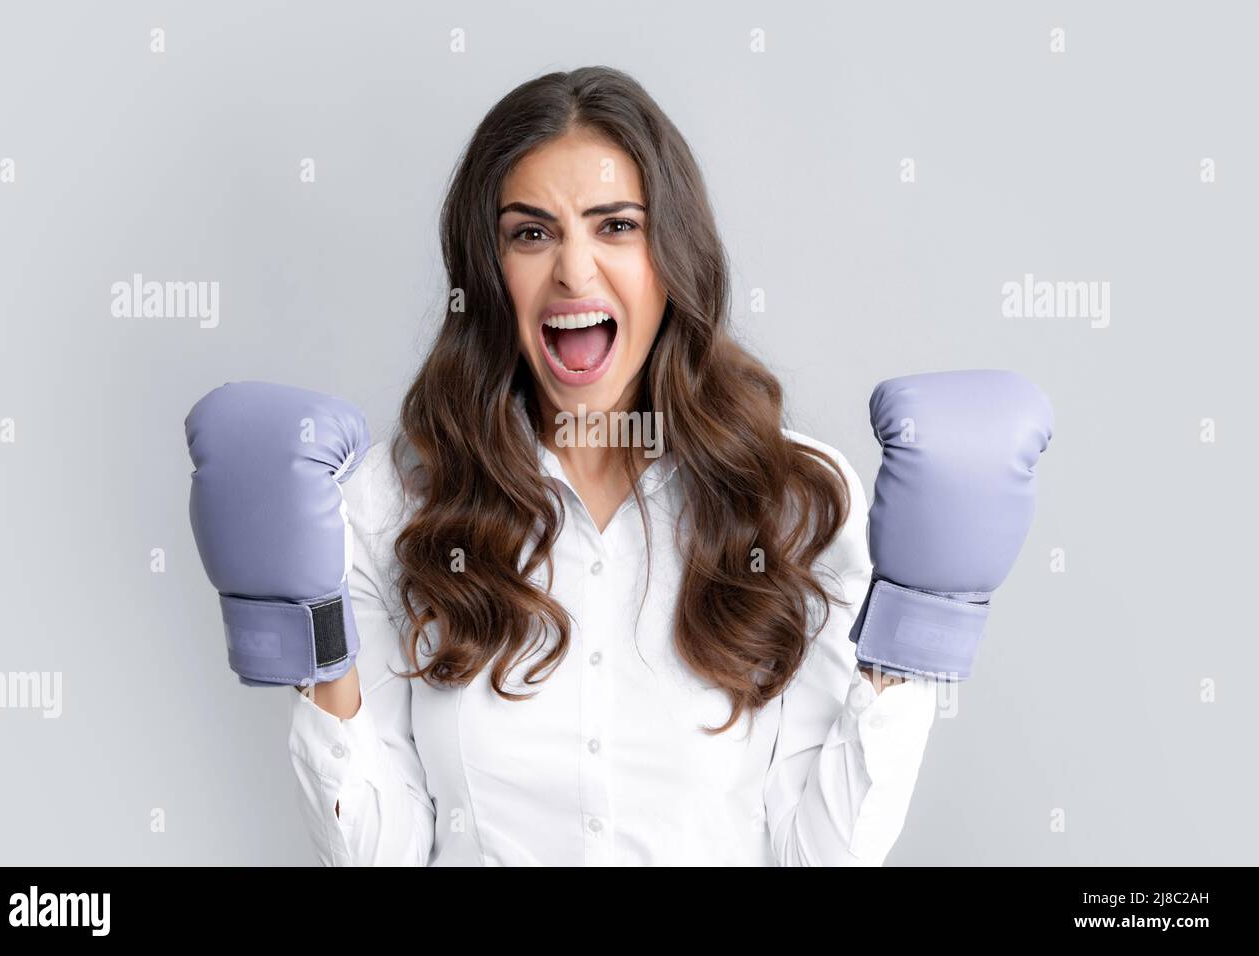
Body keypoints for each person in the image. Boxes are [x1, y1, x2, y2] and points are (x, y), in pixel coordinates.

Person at [184, 66, 1052, 866]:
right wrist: (312, 644)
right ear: (489, 272)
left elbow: (818, 851)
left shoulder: (792, 502)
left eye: (617, 227)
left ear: (671, 260)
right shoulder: (393, 502)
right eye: (531, 233)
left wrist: (918, 628)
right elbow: (386, 853)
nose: (573, 270)